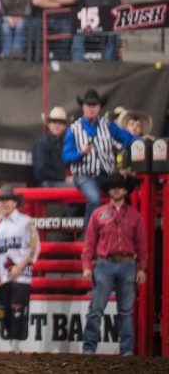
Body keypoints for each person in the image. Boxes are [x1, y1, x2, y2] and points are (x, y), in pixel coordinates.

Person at [81, 173, 147, 356]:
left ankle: (126, 351)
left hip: (127, 264)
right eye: (114, 187)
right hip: (104, 264)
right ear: (109, 191)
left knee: (125, 311)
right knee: (96, 309)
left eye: (120, 187)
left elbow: (142, 244)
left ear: (125, 191)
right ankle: (89, 349)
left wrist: (142, 268)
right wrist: (86, 266)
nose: (117, 190)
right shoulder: (98, 214)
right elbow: (89, 242)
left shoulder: (135, 216)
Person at [63, 88, 137, 227]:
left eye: (94, 105)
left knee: (128, 189)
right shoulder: (73, 129)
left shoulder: (108, 125)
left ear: (99, 107)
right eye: (88, 105)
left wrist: (139, 141)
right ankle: (89, 235)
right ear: (83, 107)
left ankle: (123, 230)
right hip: (84, 175)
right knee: (94, 198)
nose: (91, 108)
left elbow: (125, 137)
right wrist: (81, 153)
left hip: (106, 175)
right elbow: (66, 156)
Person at [0, 185, 39, 354]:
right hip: (2, 277)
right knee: (3, 314)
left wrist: (19, 266)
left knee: (17, 310)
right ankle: (13, 344)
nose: (4, 203)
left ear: (15, 203)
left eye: (7, 200)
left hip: (21, 275)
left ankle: (16, 346)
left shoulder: (26, 222)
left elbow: (34, 247)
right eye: (1, 200)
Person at [32, 107, 70, 187]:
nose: (57, 125)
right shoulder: (42, 143)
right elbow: (41, 171)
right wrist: (63, 178)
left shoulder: (62, 144)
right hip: (46, 184)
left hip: (56, 182)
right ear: (49, 124)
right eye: (54, 121)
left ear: (64, 126)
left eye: (60, 122)